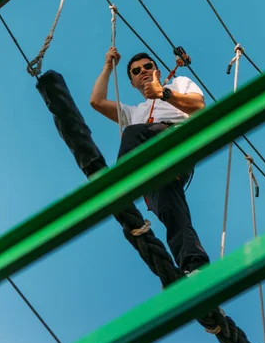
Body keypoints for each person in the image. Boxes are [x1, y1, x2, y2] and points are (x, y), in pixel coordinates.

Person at [90, 47, 210, 274]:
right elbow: (96, 102)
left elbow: (198, 107)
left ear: (157, 70)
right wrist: (108, 67)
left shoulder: (178, 84)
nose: (143, 71)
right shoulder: (135, 112)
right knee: (173, 215)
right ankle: (195, 268)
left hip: (175, 143)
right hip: (156, 171)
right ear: (133, 82)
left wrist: (163, 94)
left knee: (133, 134)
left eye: (148, 66)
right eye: (136, 71)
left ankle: (119, 187)